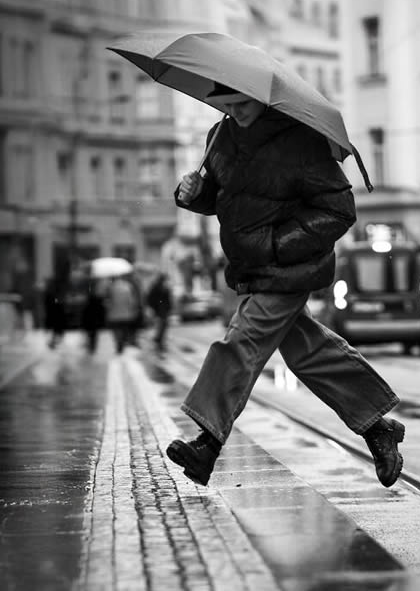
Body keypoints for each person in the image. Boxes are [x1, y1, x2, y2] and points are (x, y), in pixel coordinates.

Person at [164, 83, 406, 489]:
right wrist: (193, 194)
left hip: (289, 268)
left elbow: (339, 209)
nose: (235, 111)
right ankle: (377, 427)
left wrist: (279, 244)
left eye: (242, 103)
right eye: (226, 105)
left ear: (262, 98)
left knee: (240, 343)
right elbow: (224, 197)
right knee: (307, 351)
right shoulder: (220, 137)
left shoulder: (300, 141)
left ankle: (207, 444)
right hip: (250, 267)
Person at [106, 275, 141, 353]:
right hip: (126, 314)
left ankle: (118, 342)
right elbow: (131, 301)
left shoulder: (111, 287)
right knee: (124, 328)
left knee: (116, 329)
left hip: (114, 314)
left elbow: (107, 301)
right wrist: (134, 310)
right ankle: (121, 342)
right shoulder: (128, 286)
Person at [146, 274, 173, 353]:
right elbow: (150, 299)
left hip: (164, 310)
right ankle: (159, 342)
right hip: (159, 310)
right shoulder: (156, 288)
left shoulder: (165, 288)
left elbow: (168, 300)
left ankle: (159, 341)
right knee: (161, 326)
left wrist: (169, 308)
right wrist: (155, 306)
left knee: (163, 326)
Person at [81, 280, 107, 355]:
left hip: (89, 320)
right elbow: (101, 311)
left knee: (91, 334)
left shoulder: (88, 299)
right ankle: (92, 346)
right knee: (94, 334)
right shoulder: (98, 299)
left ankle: (91, 346)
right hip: (94, 320)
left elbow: (85, 311)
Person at [42, 277, 66, 349]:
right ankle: (55, 339)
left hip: (54, 316)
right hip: (54, 316)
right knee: (55, 328)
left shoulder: (51, 295)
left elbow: (49, 305)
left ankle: (55, 339)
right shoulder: (52, 295)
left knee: (55, 328)